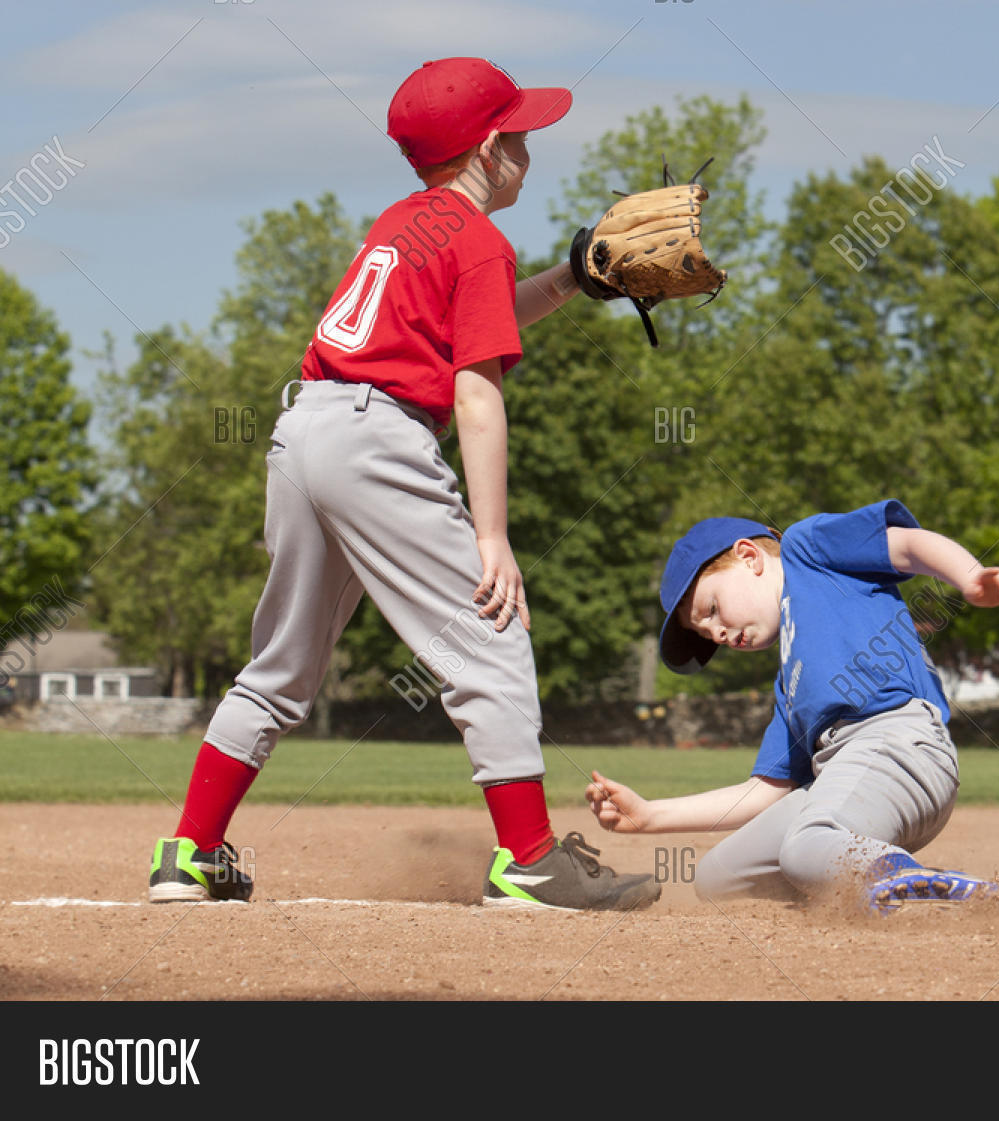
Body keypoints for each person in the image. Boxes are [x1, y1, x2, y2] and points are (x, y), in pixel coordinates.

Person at [148, 57, 659, 912]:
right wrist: (493, 538)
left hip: (305, 426)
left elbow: (465, 317)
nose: (530, 152)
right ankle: (531, 860)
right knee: (490, 636)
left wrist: (573, 278)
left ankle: (189, 852)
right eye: (522, 138)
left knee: (279, 665)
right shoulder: (481, 240)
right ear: (490, 149)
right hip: (377, 441)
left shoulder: (402, 225)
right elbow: (475, 388)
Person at [584, 500, 999, 914]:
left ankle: (894, 881)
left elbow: (907, 546)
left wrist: (970, 577)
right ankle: (890, 881)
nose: (717, 633)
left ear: (749, 556)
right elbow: (763, 792)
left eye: (713, 609)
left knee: (806, 846)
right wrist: (649, 816)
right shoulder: (790, 686)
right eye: (706, 636)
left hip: (900, 745)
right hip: (843, 780)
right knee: (721, 878)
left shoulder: (806, 550)